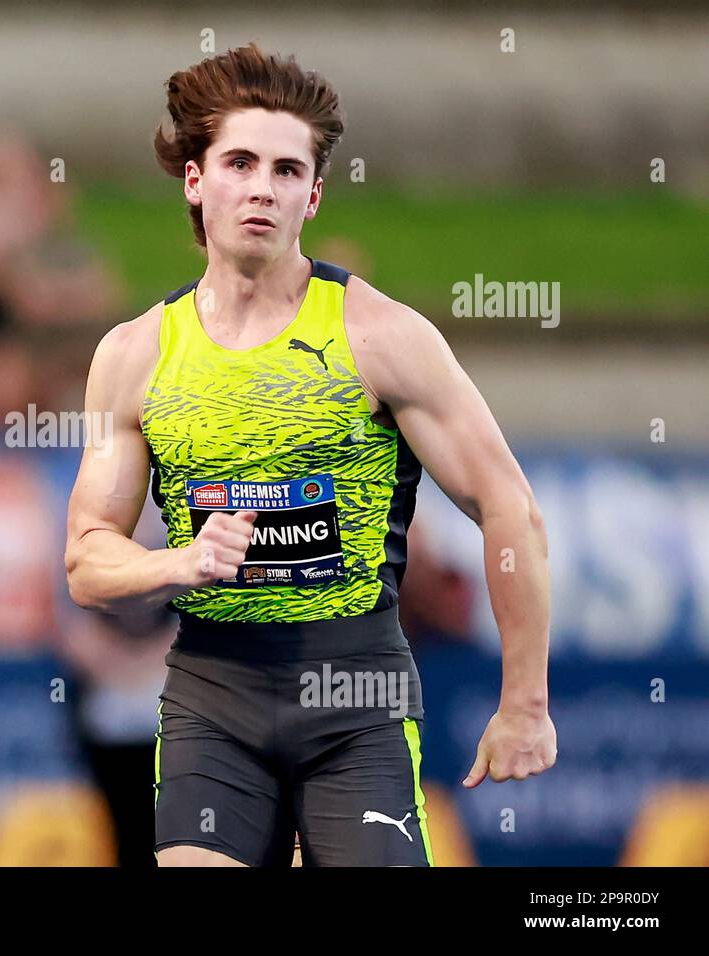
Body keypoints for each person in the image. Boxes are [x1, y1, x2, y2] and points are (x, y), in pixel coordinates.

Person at [65, 44, 556, 867]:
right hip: (211, 695)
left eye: (287, 170)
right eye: (240, 162)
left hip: (356, 697)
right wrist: (179, 562)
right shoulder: (135, 354)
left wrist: (526, 703)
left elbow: (509, 508)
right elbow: (86, 560)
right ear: (196, 180)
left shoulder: (381, 338)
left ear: (313, 195)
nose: (263, 186)